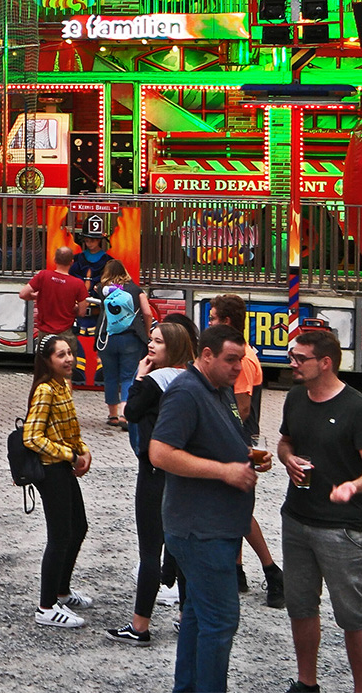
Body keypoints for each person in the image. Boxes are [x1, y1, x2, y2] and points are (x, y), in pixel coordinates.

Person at [150, 323, 267, 692]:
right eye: (231, 360)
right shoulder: (186, 392)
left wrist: (247, 457)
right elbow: (161, 453)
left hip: (217, 526)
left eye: (241, 360)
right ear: (206, 355)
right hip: (200, 529)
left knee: (200, 616)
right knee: (220, 620)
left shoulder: (219, 388)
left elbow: (213, 441)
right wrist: (225, 471)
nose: (238, 368)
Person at [279, 327, 362, 693]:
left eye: (300, 358)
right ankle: (306, 682)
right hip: (296, 518)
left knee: (353, 616)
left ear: (325, 362)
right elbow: (285, 441)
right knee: (300, 605)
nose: (292, 363)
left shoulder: (356, 406)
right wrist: (287, 459)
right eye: (291, 356)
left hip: (341, 528)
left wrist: (353, 486)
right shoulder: (295, 397)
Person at [109, 320, 196, 645]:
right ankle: (186, 615)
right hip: (182, 472)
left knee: (150, 551)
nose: (150, 345)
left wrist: (141, 375)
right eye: (152, 339)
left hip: (154, 472)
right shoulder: (191, 380)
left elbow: (131, 412)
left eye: (158, 342)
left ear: (171, 348)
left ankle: (140, 625)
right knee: (181, 549)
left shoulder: (154, 381)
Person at [207, 293, 285, 609]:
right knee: (234, 509)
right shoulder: (241, 354)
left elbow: (240, 407)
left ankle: (272, 572)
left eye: (212, 318)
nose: (209, 323)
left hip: (237, 443)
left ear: (226, 321)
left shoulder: (244, 360)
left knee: (239, 513)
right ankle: (237, 571)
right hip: (236, 441)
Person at [23, 333, 94, 627]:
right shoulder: (45, 391)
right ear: (47, 361)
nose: (68, 359)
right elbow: (31, 436)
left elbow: (70, 429)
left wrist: (84, 452)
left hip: (64, 467)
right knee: (60, 536)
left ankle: (62, 592)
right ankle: (46, 607)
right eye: (61, 355)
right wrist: (68, 455)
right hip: (51, 471)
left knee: (78, 527)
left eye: (69, 353)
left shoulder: (63, 386)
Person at [95, 258, 152, 431]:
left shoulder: (101, 290)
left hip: (107, 338)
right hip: (131, 338)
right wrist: (147, 332)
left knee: (110, 376)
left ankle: (112, 415)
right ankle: (124, 415)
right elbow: (147, 312)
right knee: (128, 376)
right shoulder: (136, 290)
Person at [20, 246, 89, 340]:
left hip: (44, 334)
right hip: (65, 334)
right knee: (65, 354)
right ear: (71, 262)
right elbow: (82, 312)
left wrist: (36, 296)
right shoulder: (78, 284)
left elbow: (23, 294)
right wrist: (74, 307)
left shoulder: (43, 276)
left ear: (54, 260)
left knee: (44, 354)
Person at [69, 227, 110, 294]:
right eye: (87, 241)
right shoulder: (78, 257)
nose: (89, 244)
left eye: (92, 241)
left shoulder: (107, 259)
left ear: (98, 240)